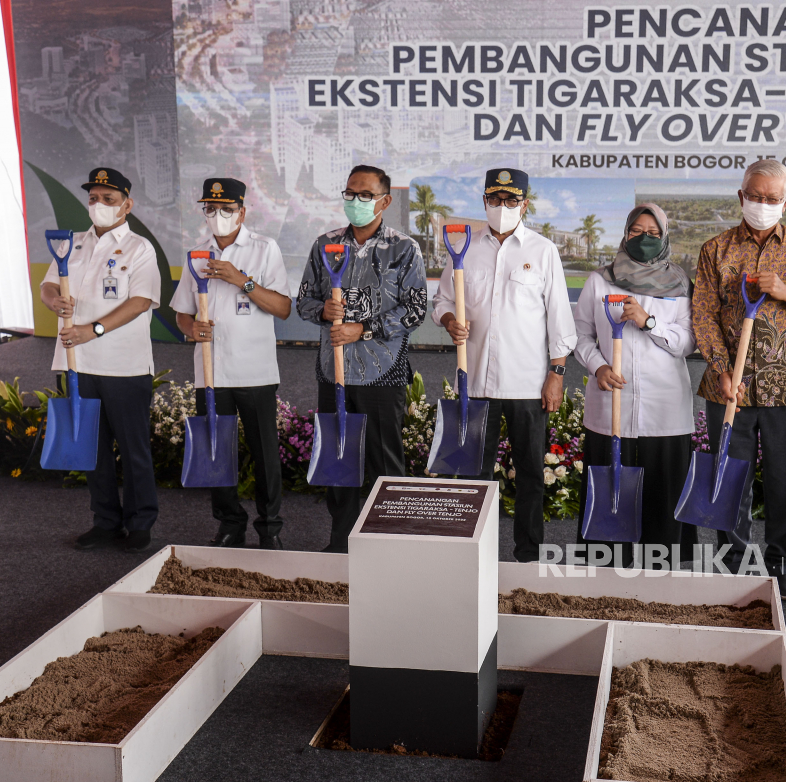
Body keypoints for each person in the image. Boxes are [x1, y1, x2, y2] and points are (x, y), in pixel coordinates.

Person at [690, 159, 786, 599]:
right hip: (727, 387)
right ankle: (733, 561)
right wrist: (720, 367)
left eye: (773, 199)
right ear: (741, 196)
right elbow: (703, 315)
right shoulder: (715, 250)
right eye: (756, 196)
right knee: (728, 476)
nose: (763, 204)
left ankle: (783, 562)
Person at [432, 168, 576, 563]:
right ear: (484, 202)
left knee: (530, 475)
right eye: (494, 200)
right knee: (474, 476)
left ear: (524, 204)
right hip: (474, 383)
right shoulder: (463, 247)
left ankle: (528, 554)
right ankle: (474, 556)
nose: (502, 207)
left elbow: (559, 321)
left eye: (511, 200)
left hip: (528, 386)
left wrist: (556, 374)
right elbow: (443, 301)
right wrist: (449, 321)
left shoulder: (543, 251)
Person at [297, 164, 427, 553]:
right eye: (350, 194)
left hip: (381, 371)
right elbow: (303, 301)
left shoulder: (404, 248)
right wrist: (324, 311)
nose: (356, 201)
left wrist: (363, 327)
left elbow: (415, 309)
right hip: (332, 370)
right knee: (339, 463)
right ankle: (341, 544)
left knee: (384, 464)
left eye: (365, 195)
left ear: (384, 201)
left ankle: (390, 547)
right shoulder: (325, 244)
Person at [39, 167, 161, 552]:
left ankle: (141, 522)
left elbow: (141, 302)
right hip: (78, 363)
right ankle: (106, 521)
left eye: (108, 199)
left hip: (123, 366)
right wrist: (53, 300)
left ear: (127, 205)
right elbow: (47, 285)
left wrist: (93, 329)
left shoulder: (140, 248)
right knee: (92, 449)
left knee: (133, 448)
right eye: (93, 198)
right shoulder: (71, 244)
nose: (99, 205)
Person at [171, 178, 292, 549]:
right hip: (211, 371)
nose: (218, 215)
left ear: (242, 211)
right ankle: (229, 523)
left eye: (226, 209)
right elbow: (181, 314)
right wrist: (193, 329)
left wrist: (243, 281)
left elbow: (283, 308)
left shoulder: (263, 249)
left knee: (264, 453)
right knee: (216, 450)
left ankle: (270, 527)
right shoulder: (196, 253)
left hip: (253, 370)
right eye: (210, 208)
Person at [574, 203, 697, 569]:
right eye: (636, 230)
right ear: (626, 233)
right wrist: (597, 367)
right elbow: (580, 335)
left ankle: (661, 580)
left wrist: (649, 322)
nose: (644, 238)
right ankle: (606, 579)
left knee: (664, 498)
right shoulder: (600, 280)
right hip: (612, 406)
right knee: (610, 494)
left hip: (666, 409)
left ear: (665, 236)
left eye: (653, 232)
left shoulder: (679, 283)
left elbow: (689, 342)